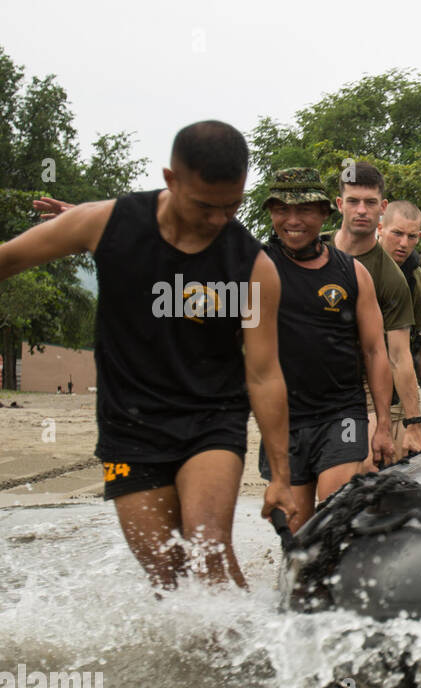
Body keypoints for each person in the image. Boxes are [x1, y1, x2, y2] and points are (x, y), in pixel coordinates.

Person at [0, 120, 295, 588]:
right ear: (171, 179)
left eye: (232, 205)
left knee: (209, 555)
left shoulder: (253, 266)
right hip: (128, 427)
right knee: (166, 575)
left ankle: (254, 636)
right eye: (205, 205)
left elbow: (264, 374)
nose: (219, 219)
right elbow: (9, 259)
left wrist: (281, 475)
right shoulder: (107, 223)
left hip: (210, 419)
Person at [258, 168, 397, 532]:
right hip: (282, 420)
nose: (292, 221)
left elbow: (375, 351)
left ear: (323, 212)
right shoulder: (255, 268)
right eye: (282, 210)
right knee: (298, 533)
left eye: (304, 210)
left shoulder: (353, 273)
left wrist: (384, 425)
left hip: (342, 413)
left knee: (334, 515)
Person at [326, 161, 421, 462]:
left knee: (361, 465)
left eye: (370, 203)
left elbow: (399, 355)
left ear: (382, 208)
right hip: (307, 380)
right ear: (340, 204)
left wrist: (414, 423)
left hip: (361, 385)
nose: (361, 210)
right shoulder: (313, 251)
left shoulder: (391, 278)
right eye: (353, 201)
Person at [378, 200, 421, 445]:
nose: (404, 243)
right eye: (397, 233)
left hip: (390, 384)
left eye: (411, 236)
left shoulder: (420, 288)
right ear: (380, 228)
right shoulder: (346, 259)